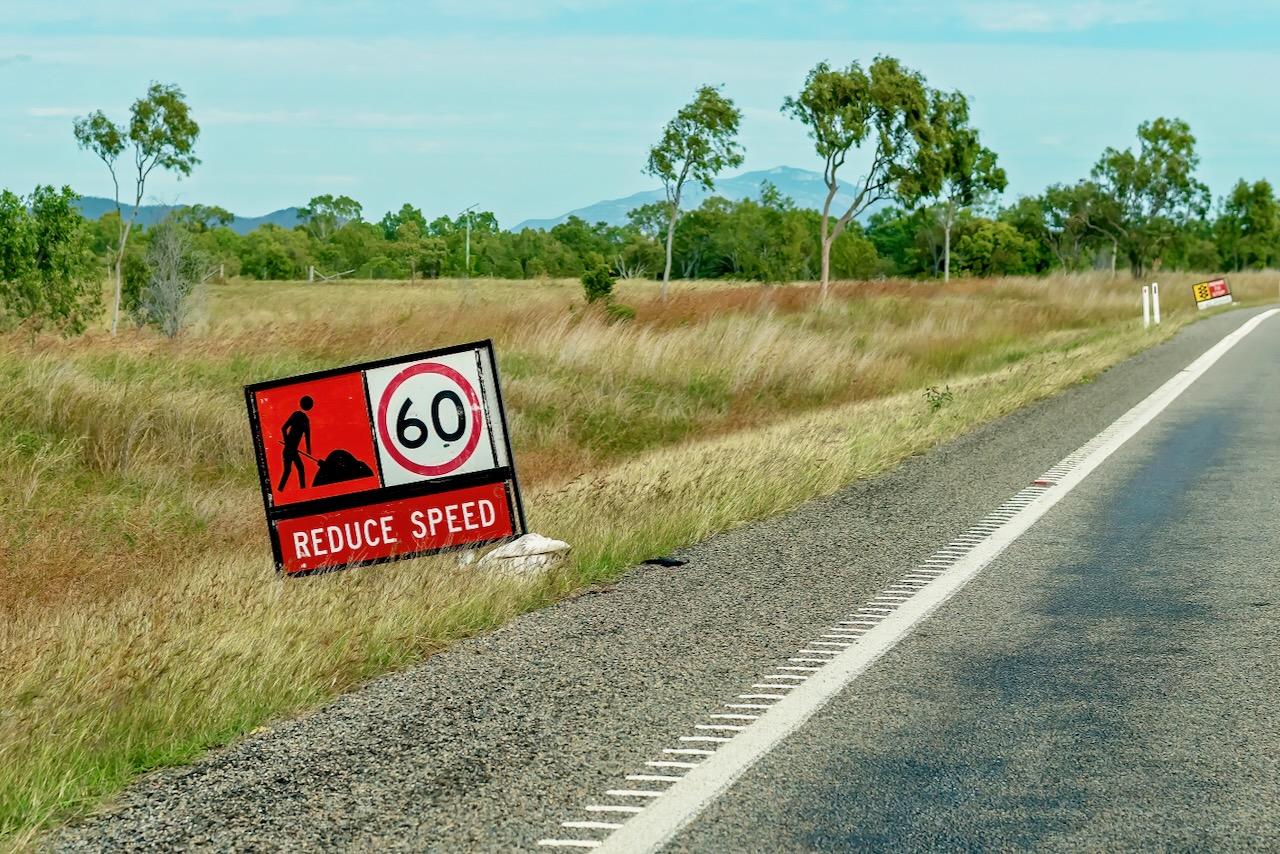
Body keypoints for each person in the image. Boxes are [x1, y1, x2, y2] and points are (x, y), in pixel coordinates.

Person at [279, 395, 313, 491]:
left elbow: (307, 436)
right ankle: (281, 490)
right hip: (289, 450)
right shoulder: (297, 415)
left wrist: (308, 450)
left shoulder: (305, 419)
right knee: (291, 471)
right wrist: (287, 443)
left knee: (294, 470)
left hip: (292, 450)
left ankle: (301, 490)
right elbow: (283, 428)